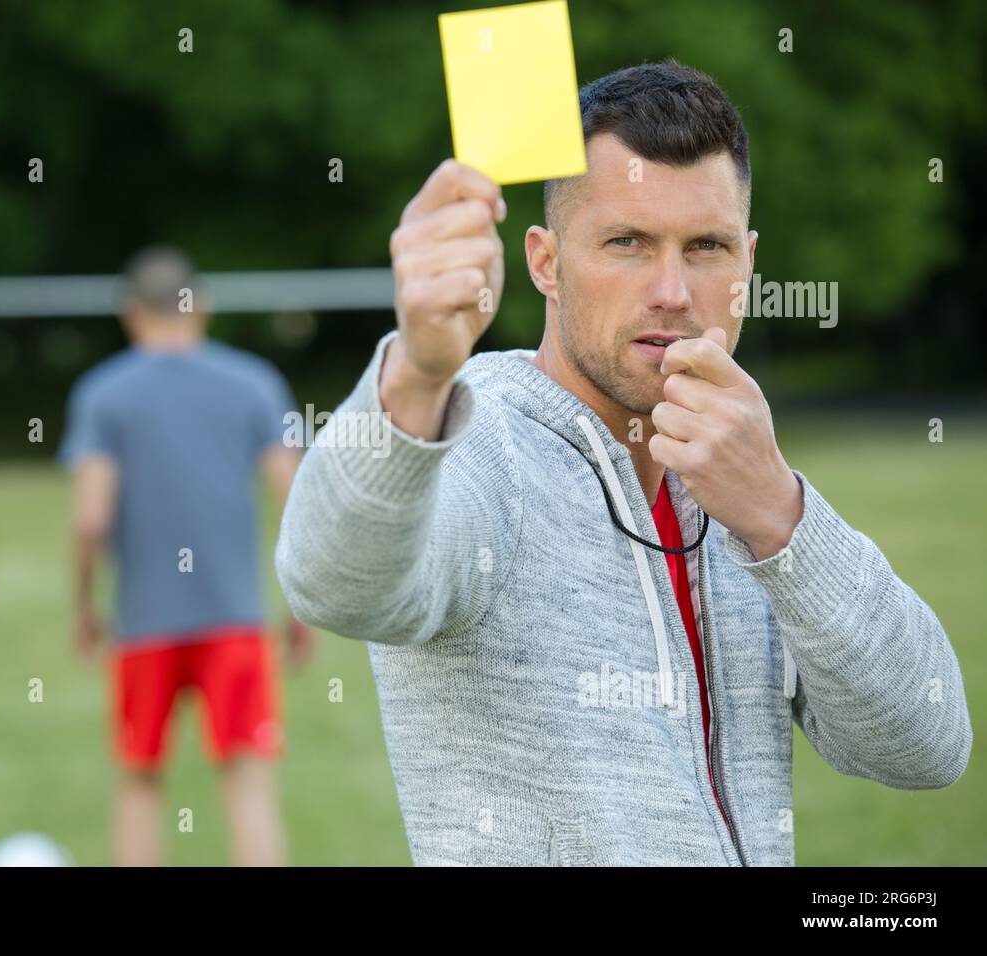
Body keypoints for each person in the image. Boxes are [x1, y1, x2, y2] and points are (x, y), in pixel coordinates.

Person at [276, 61, 972, 865]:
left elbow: (927, 745)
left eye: (705, 247)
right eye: (627, 242)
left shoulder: (740, 478)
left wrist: (781, 517)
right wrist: (418, 373)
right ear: (544, 261)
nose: (672, 290)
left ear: (747, 264)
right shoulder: (482, 447)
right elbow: (330, 581)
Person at [61, 245, 313, 866]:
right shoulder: (254, 381)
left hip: (143, 624)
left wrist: (85, 606)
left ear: (130, 312)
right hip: (234, 618)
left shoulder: (103, 393)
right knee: (247, 781)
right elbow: (298, 501)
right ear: (199, 306)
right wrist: (304, 605)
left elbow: (90, 518)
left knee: (141, 784)